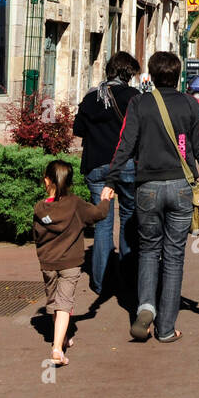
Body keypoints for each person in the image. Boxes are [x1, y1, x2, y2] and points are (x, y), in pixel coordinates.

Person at [104, 50, 199, 343]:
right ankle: (167, 327)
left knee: (147, 251)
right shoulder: (190, 105)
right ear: (178, 75)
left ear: (152, 76)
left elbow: (125, 144)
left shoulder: (139, 103)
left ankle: (145, 308)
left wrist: (111, 180)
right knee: (173, 257)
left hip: (147, 188)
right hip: (182, 188)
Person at [72, 51, 140, 296]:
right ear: (128, 73)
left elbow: (78, 129)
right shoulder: (134, 97)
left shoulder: (92, 97)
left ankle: (100, 282)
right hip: (127, 165)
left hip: (97, 165)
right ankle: (128, 277)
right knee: (129, 220)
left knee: (102, 224)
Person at [33, 160, 112, 366]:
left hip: (49, 263)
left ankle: (63, 338)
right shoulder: (76, 204)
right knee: (64, 304)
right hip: (70, 263)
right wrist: (105, 200)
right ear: (70, 182)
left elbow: (37, 236)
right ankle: (57, 349)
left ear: (46, 180)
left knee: (56, 302)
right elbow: (98, 215)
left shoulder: (40, 209)